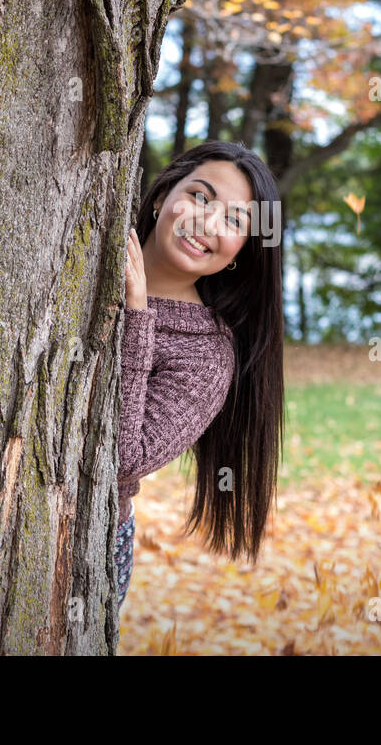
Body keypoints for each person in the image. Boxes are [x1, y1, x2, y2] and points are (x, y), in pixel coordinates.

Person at [115, 140, 286, 615]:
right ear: (161, 195)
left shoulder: (208, 354)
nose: (207, 223)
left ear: (240, 252)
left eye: (234, 221)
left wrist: (137, 312)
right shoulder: (87, 247)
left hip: (87, 534)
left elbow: (126, 459)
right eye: (201, 196)